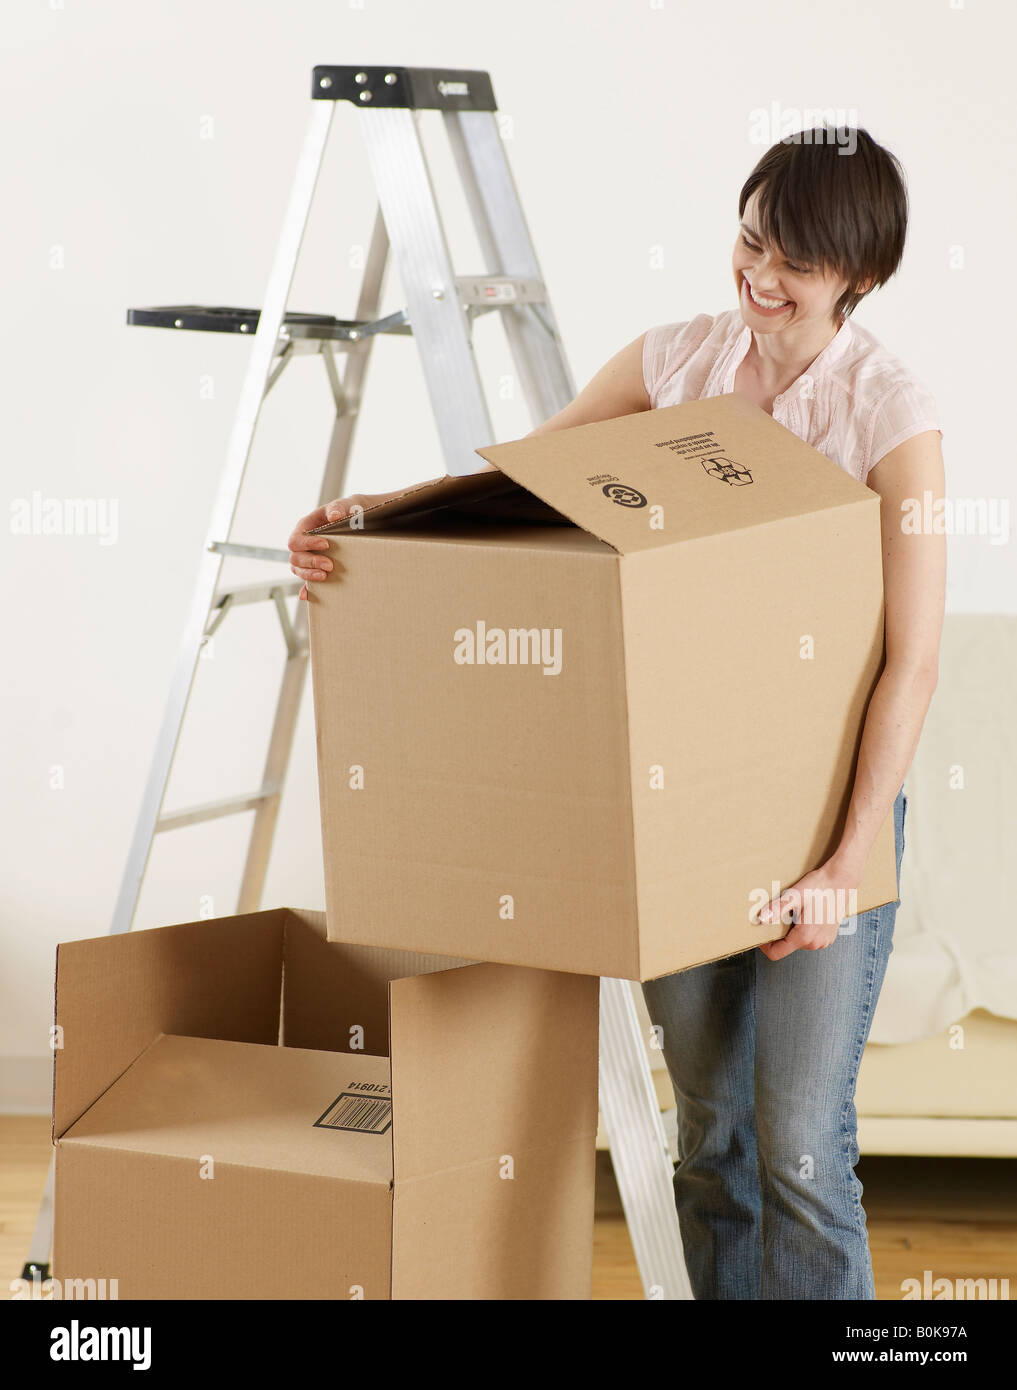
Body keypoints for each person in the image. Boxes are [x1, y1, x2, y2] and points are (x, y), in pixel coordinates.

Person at [287, 127, 946, 1301]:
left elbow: (914, 662)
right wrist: (374, 517)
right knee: (714, 1139)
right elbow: (517, 478)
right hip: (682, 816)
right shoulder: (675, 362)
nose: (758, 274)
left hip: (831, 818)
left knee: (798, 1146)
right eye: (749, 239)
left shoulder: (889, 416)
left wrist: (848, 857)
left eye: (792, 260)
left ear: (861, 276)